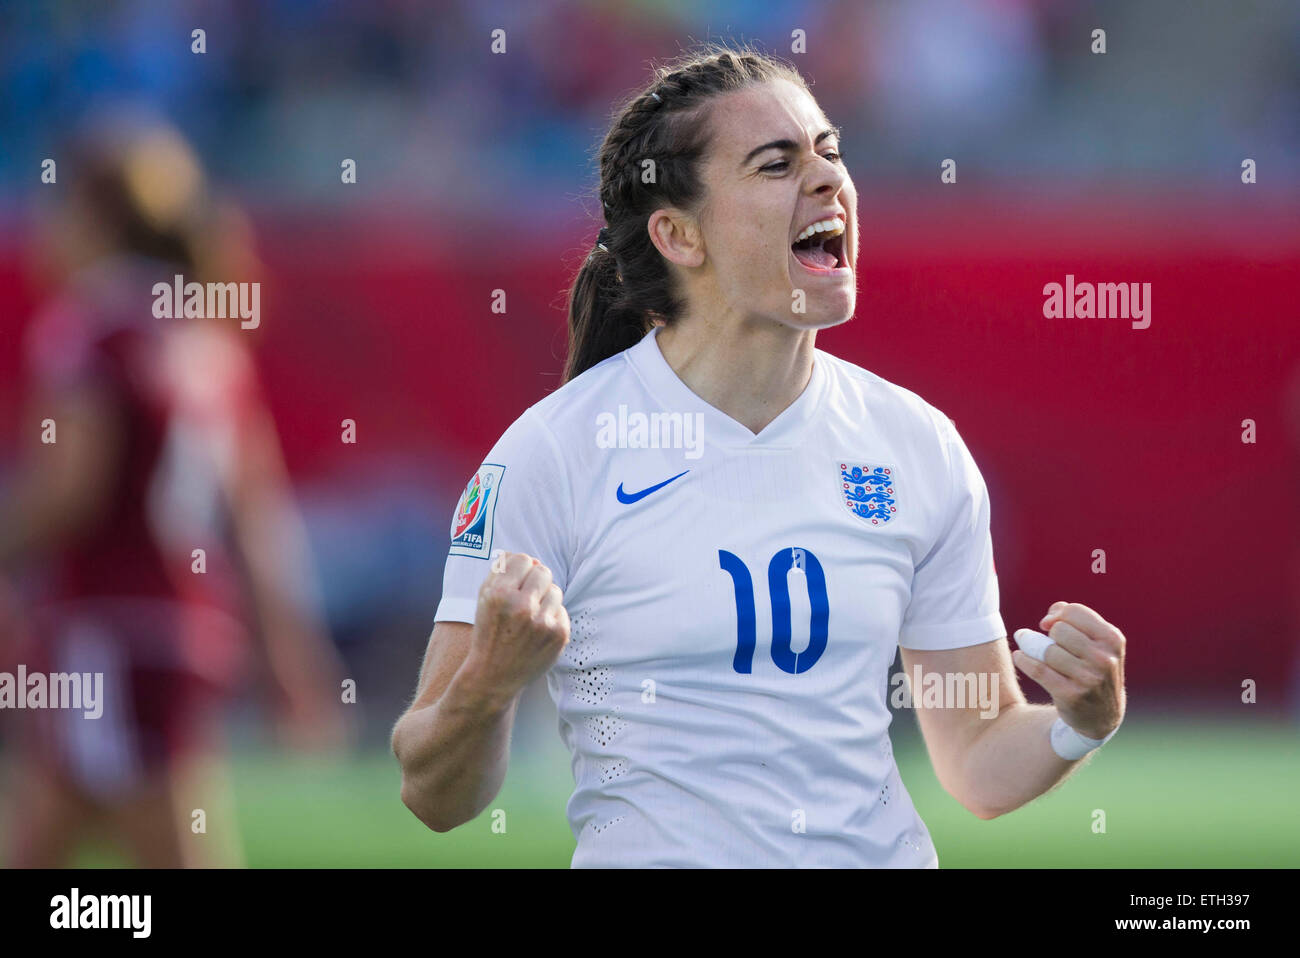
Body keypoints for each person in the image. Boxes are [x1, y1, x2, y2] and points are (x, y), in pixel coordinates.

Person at [392, 46, 1126, 867]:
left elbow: (979, 761)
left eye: (831, 152)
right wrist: (489, 682)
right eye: (777, 164)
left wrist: (1076, 723)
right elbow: (432, 794)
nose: (827, 181)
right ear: (678, 234)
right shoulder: (555, 452)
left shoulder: (916, 444)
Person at [0, 115, 347, 867]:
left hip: (102, 625)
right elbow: (255, 516)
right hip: (183, 628)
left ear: (91, 214)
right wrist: (288, 651)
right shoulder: (204, 338)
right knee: (46, 835)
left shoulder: (89, 327)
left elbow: (69, 493)